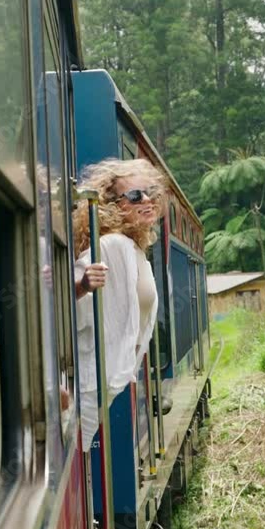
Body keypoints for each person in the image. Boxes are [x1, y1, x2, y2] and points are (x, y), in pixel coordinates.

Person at [70, 158, 167, 448]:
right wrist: (83, 285)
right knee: (75, 452)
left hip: (105, 384)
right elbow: (68, 292)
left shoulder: (135, 249)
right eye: (136, 195)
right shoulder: (112, 245)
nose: (147, 200)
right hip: (90, 385)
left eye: (150, 192)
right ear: (114, 206)